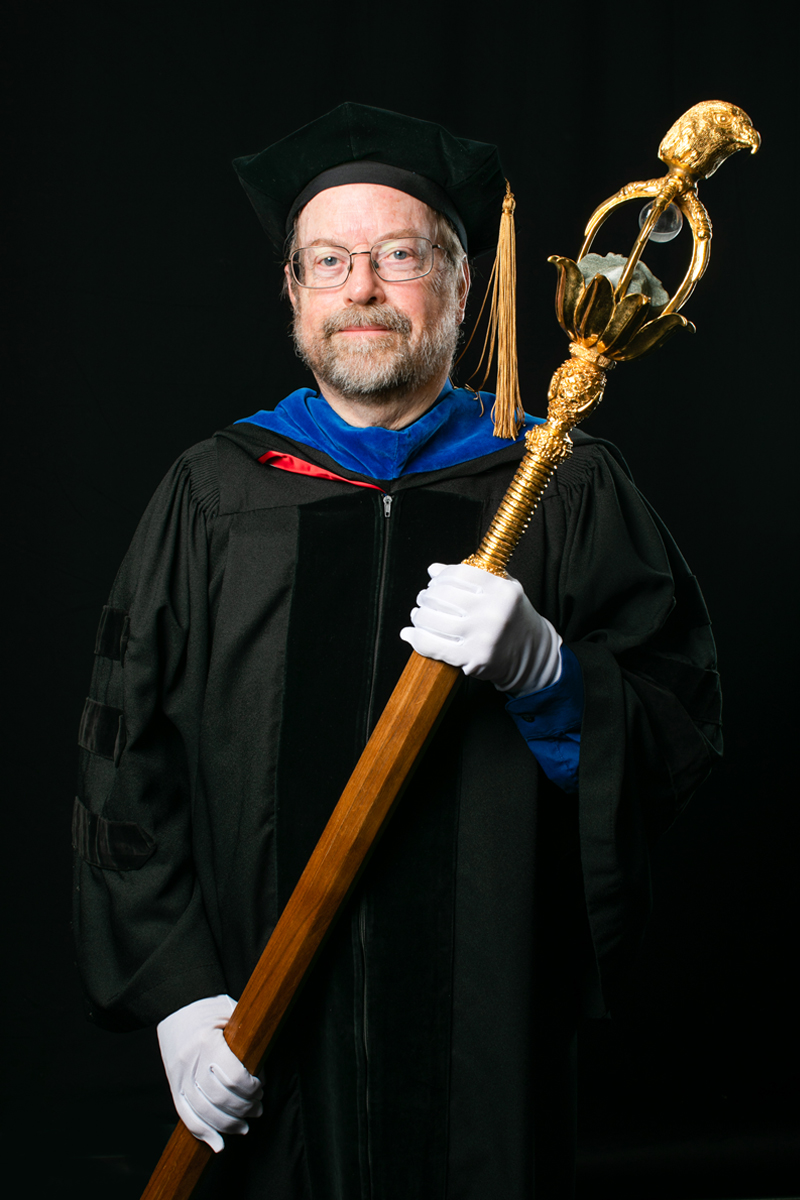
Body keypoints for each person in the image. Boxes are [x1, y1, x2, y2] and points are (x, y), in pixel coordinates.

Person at [72, 103, 722, 1199]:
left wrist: (551, 676)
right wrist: (180, 1003)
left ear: (461, 287)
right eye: (328, 261)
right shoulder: (213, 495)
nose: (361, 289)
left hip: (485, 1043)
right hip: (259, 1029)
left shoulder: (562, 488)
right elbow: (122, 763)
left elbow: (678, 725)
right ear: (293, 291)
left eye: (399, 256)